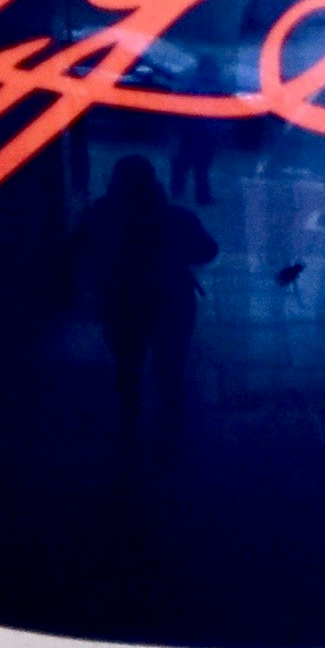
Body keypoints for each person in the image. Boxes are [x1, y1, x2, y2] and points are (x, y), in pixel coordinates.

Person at [75, 155, 217, 461]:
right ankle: (171, 434)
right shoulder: (177, 218)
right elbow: (208, 251)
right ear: (154, 183)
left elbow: (77, 249)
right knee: (171, 367)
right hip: (172, 302)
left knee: (127, 365)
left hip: (121, 303)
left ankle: (129, 426)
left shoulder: (99, 214)